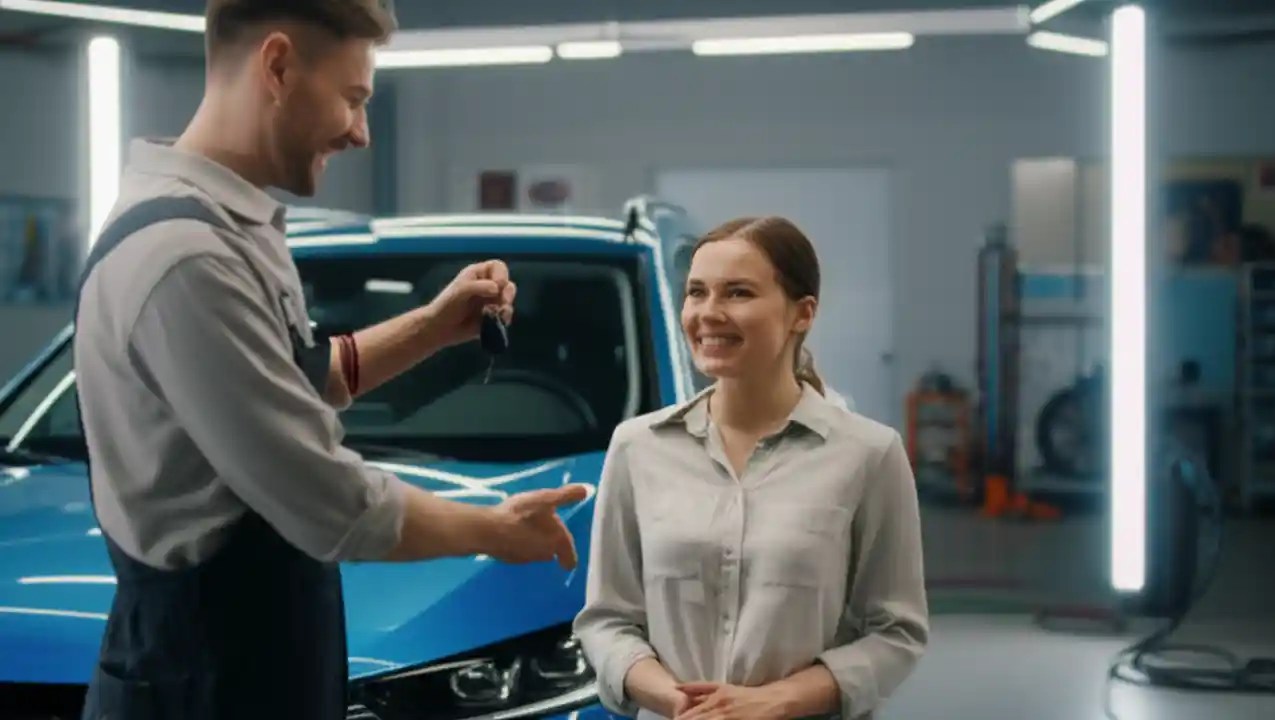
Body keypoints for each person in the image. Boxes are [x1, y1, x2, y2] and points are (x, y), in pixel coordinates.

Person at [73, 2, 586, 719]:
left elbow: (294, 379)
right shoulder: (188, 259)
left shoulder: (228, 227)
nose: (360, 131)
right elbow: (326, 501)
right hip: (202, 683)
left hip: (239, 666)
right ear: (277, 66)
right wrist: (492, 530)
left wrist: (434, 327)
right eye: (353, 98)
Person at [573, 216, 929, 720]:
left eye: (738, 293)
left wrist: (773, 702)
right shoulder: (638, 448)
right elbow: (607, 620)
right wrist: (675, 700)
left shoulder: (868, 454)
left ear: (802, 314)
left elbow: (897, 632)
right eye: (696, 293)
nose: (708, 313)